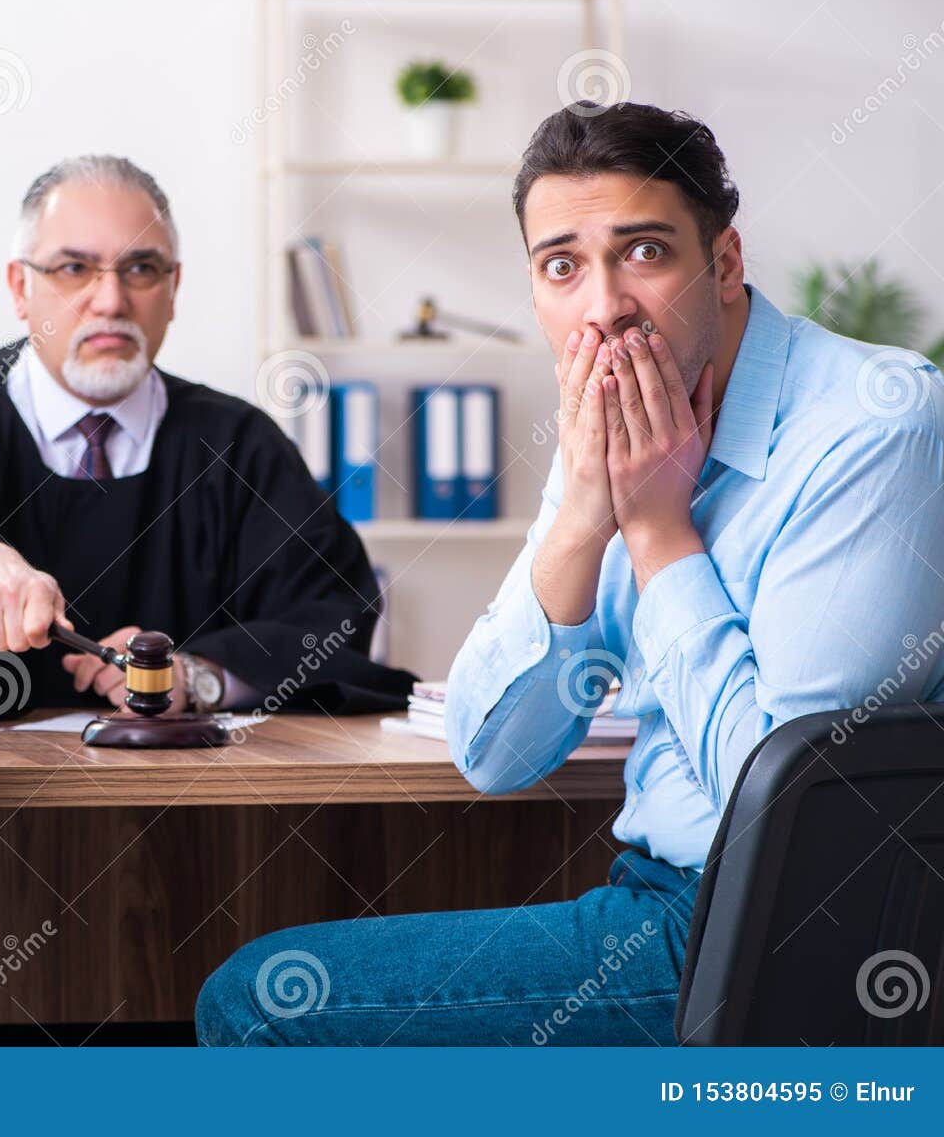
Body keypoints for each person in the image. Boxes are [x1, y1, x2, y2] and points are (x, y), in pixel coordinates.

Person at [196, 101, 944, 1045]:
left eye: (643, 252)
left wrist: (660, 531)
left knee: (263, 1005)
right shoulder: (612, 419)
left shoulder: (873, 426)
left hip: (789, 938)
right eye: (563, 267)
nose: (604, 307)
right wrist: (587, 514)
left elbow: (797, 816)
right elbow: (493, 755)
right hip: (658, 895)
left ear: (723, 263)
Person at [0, 155, 414, 716]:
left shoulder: (240, 445)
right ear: (19, 288)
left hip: (192, 798)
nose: (110, 301)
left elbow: (334, 612)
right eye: (74, 268)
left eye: (140, 269)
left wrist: (197, 675)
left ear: (173, 288)